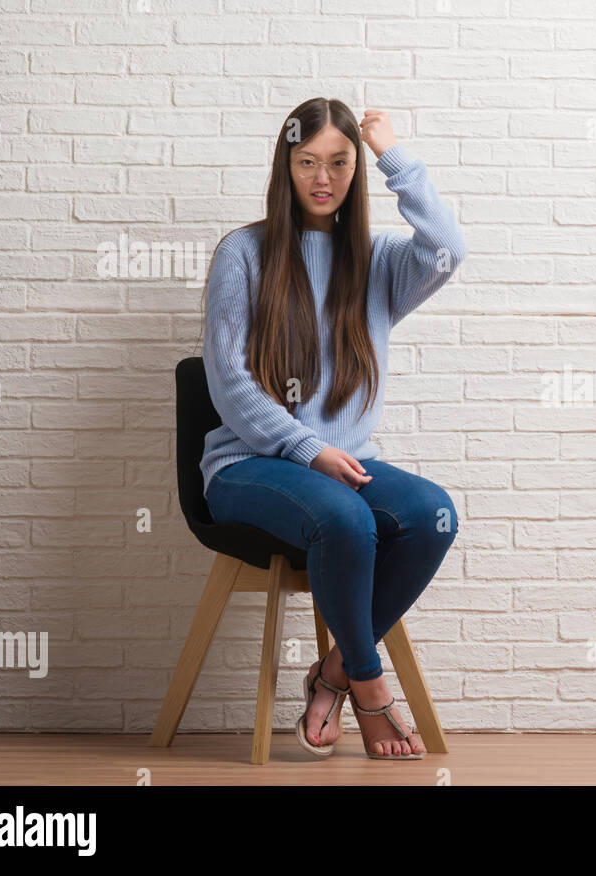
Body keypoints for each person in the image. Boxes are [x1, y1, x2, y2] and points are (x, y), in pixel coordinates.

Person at [197, 96, 468, 760]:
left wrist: (393, 157)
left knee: (432, 513)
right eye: (308, 162)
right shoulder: (244, 253)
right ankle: (370, 687)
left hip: (342, 464)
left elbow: (449, 250)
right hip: (248, 463)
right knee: (347, 520)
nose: (323, 178)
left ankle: (333, 673)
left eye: (340, 162)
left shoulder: (377, 263)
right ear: (286, 166)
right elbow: (230, 380)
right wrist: (305, 447)